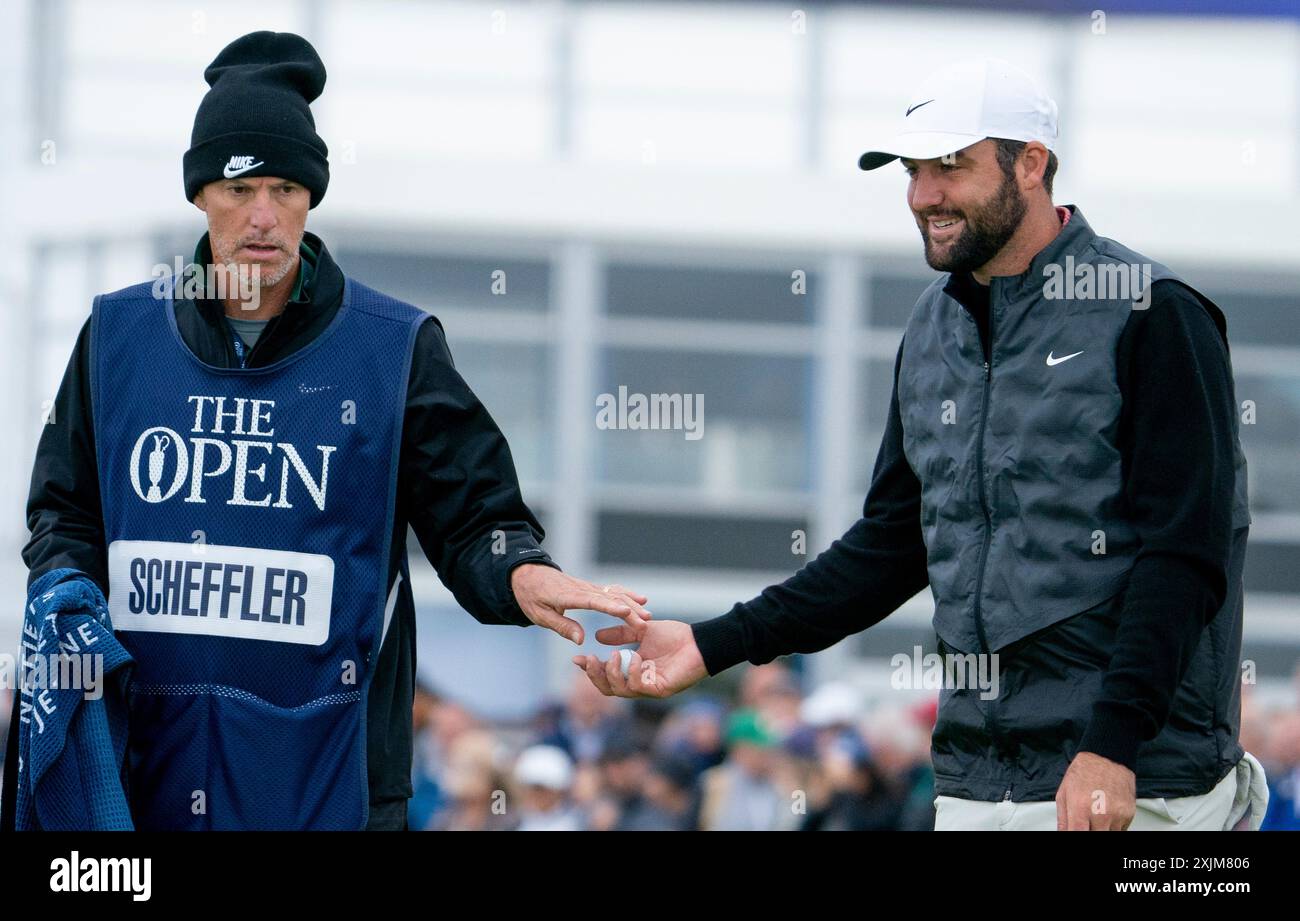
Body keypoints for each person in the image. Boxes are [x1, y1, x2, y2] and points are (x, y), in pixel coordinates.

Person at [575, 57, 1267, 832]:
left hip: (1134, 779)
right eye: (912, 172)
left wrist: (1113, 745)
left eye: (951, 167)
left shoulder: (1156, 313)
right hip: (975, 779)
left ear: (1031, 163)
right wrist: (712, 643)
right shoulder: (931, 326)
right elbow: (890, 546)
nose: (923, 195)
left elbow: (1187, 554)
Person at [2, 30, 647, 832]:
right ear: (201, 195)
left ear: (312, 198)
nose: (263, 217)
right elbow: (62, 513)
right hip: (136, 786)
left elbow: (477, 517)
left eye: (285, 188)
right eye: (239, 190)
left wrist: (523, 574)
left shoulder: (394, 347)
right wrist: (67, 590)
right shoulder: (116, 336)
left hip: (327, 788)